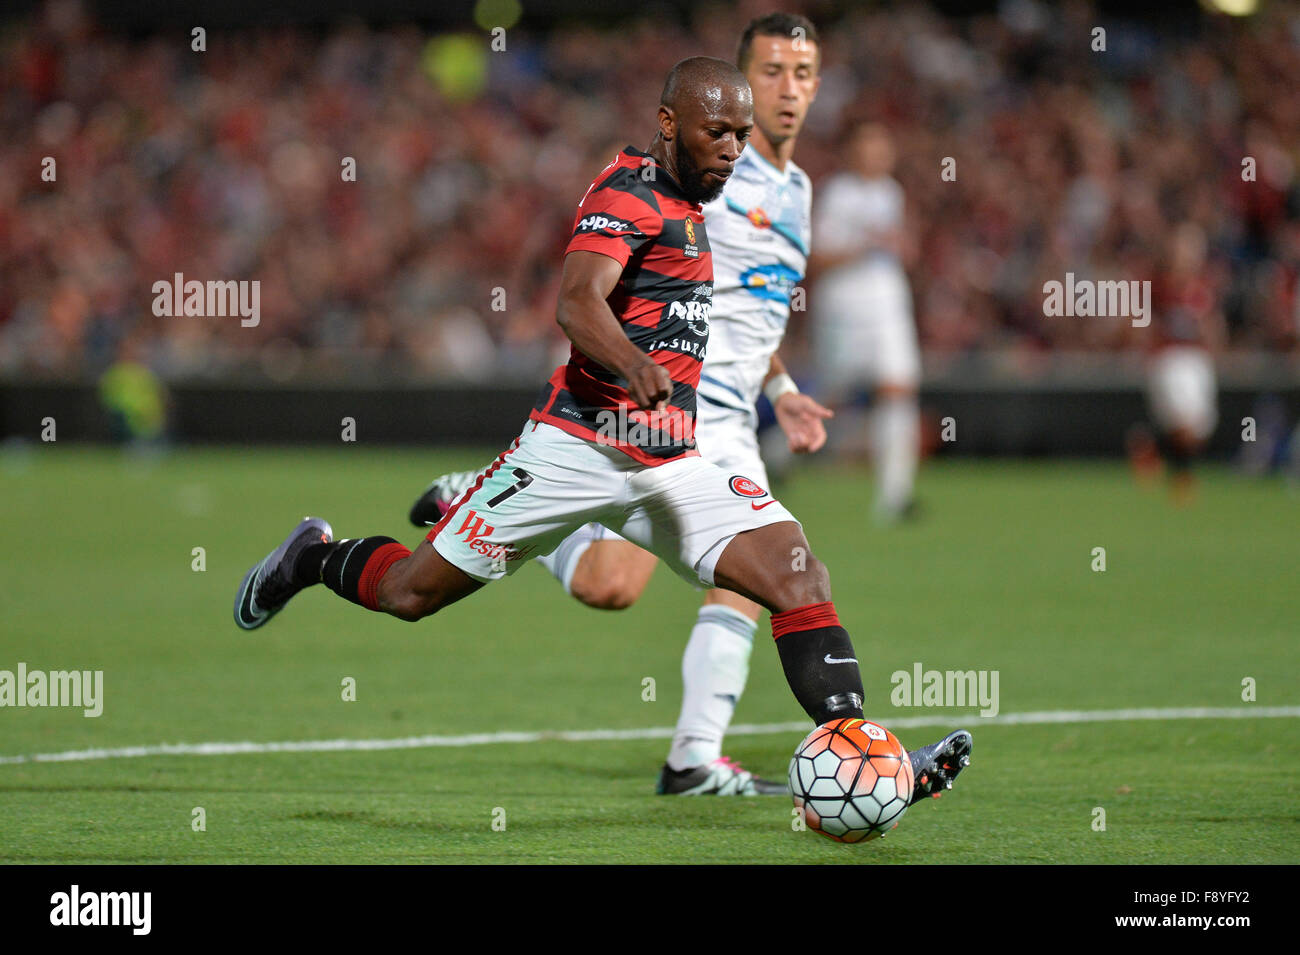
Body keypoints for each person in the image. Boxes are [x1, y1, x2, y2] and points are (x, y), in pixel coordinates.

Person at [235, 55, 970, 808]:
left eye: (740, 133)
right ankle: (310, 558)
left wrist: (776, 384)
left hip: (669, 464)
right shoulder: (628, 193)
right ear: (666, 124)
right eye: (716, 130)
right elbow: (578, 303)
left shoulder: (699, 206)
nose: (731, 147)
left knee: (795, 573)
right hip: (575, 448)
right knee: (409, 594)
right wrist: (632, 365)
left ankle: (868, 757)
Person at [809, 122, 921, 523]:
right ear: (852, 151)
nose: (878, 153)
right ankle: (773, 455)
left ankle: (895, 496)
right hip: (844, 306)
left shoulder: (893, 192)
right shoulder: (837, 193)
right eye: (869, 145)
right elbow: (817, 256)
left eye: (883, 145)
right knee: (832, 397)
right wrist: (866, 246)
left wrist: (900, 248)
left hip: (887, 302)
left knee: (897, 388)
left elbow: (898, 249)